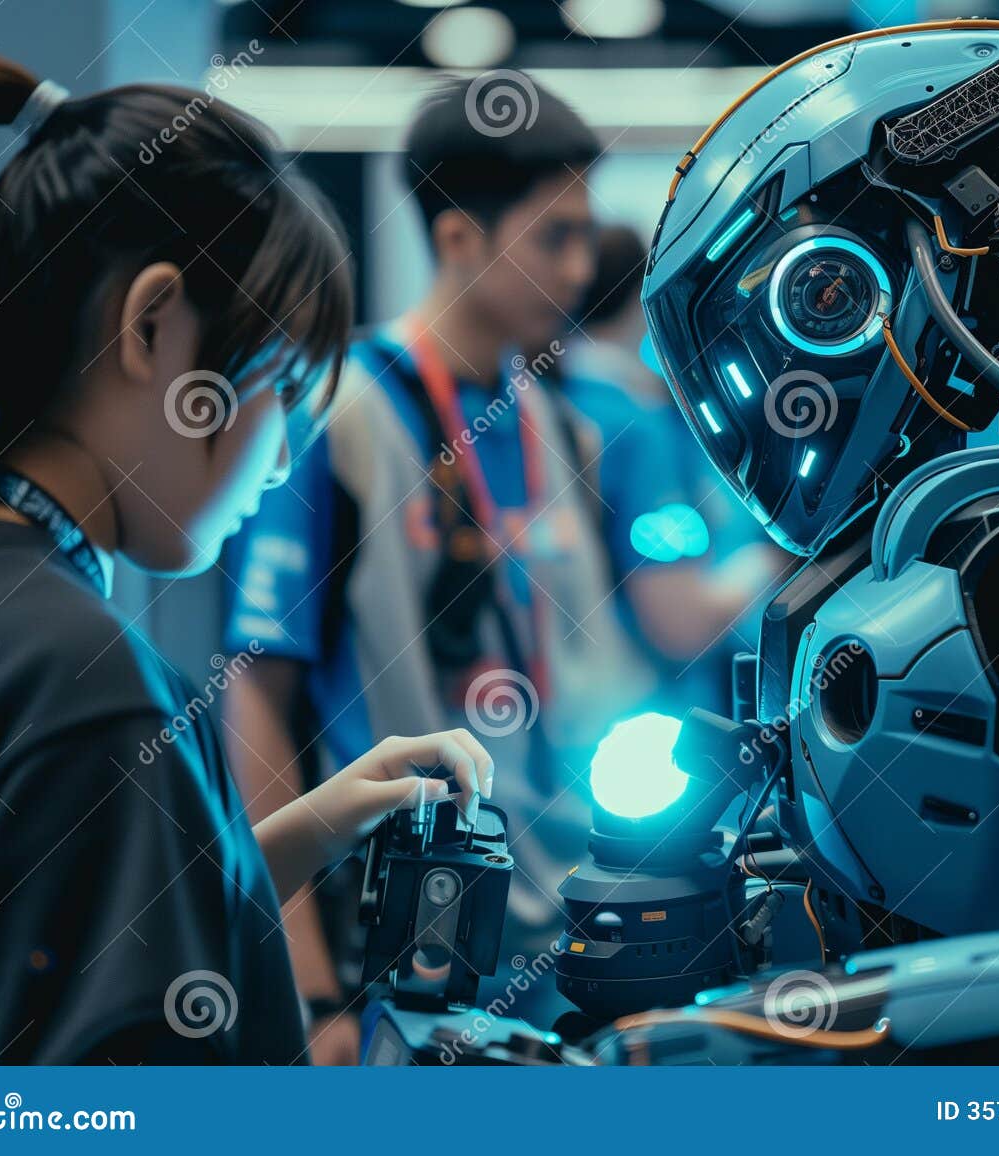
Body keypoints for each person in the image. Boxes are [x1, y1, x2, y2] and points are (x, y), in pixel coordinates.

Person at [0, 57, 492, 1064]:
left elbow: (62, 940)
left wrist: (306, 824)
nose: (281, 461)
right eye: (279, 386)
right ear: (154, 328)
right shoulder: (89, 685)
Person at [220, 72, 650, 1057]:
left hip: (563, 931)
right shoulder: (342, 419)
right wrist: (314, 991)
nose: (583, 267)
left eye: (588, 233)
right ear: (457, 237)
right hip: (392, 938)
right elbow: (257, 700)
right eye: (555, 236)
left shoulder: (564, 426)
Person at [563, 223, 785, 711]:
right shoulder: (640, 429)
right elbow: (682, 626)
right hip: (659, 715)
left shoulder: (540, 402)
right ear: (645, 297)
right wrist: (774, 558)